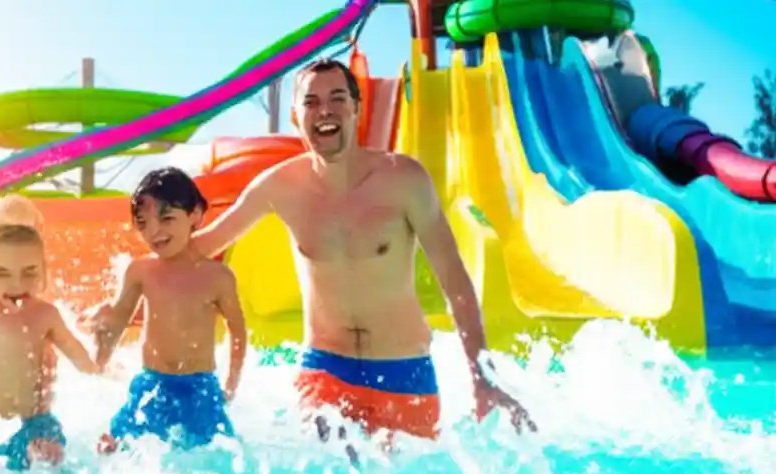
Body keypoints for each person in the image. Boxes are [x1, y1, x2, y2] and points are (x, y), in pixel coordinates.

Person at [189, 58, 535, 446]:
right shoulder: (278, 187)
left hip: (404, 372)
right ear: (295, 116)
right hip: (325, 369)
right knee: (331, 455)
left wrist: (482, 379)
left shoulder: (404, 179)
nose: (325, 110)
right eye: (311, 102)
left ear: (357, 108)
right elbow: (204, 245)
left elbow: (455, 282)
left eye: (337, 98)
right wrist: (140, 266)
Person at [92, 167, 247, 452]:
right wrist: (101, 346)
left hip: (200, 387)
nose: (154, 232)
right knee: (114, 447)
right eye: (143, 223)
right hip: (153, 383)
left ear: (195, 215)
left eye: (166, 218)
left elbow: (237, 330)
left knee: (215, 451)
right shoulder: (141, 271)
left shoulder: (217, 277)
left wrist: (230, 385)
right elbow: (119, 320)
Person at [0, 221, 99, 470]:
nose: (17, 284)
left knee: (42, 458)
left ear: (44, 272)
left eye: (29, 273)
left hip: (38, 424)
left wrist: (102, 371)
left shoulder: (45, 316)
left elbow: (79, 358)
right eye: (3, 273)